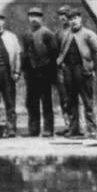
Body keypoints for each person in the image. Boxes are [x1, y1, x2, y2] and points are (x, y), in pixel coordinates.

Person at [57, 9, 97, 138]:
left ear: (80, 19)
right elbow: (62, 52)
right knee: (71, 102)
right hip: (69, 72)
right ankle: (73, 129)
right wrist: (61, 65)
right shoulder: (66, 35)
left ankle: (92, 130)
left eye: (75, 18)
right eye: (71, 19)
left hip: (83, 71)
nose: (73, 21)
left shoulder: (89, 34)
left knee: (87, 102)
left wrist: (92, 68)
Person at [23, 7, 57, 137]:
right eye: (31, 16)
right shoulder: (26, 34)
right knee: (31, 103)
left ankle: (48, 129)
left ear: (41, 18)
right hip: (31, 75)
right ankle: (33, 130)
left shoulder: (47, 34)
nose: (33, 19)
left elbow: (54, 55)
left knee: (46, 103)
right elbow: (25, 55)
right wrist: (25, 71)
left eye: (36, 16)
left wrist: (51, 75)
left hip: (44, 73)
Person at [54, 4, 73, 126]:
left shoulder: (76, 31)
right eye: (60, 15)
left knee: (76, 99)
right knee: (64, 99)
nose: (63, 17)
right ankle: (68, 125)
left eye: (65, 14)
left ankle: (78, 125)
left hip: (75, 69)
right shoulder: (58, 33)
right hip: (62, 70)